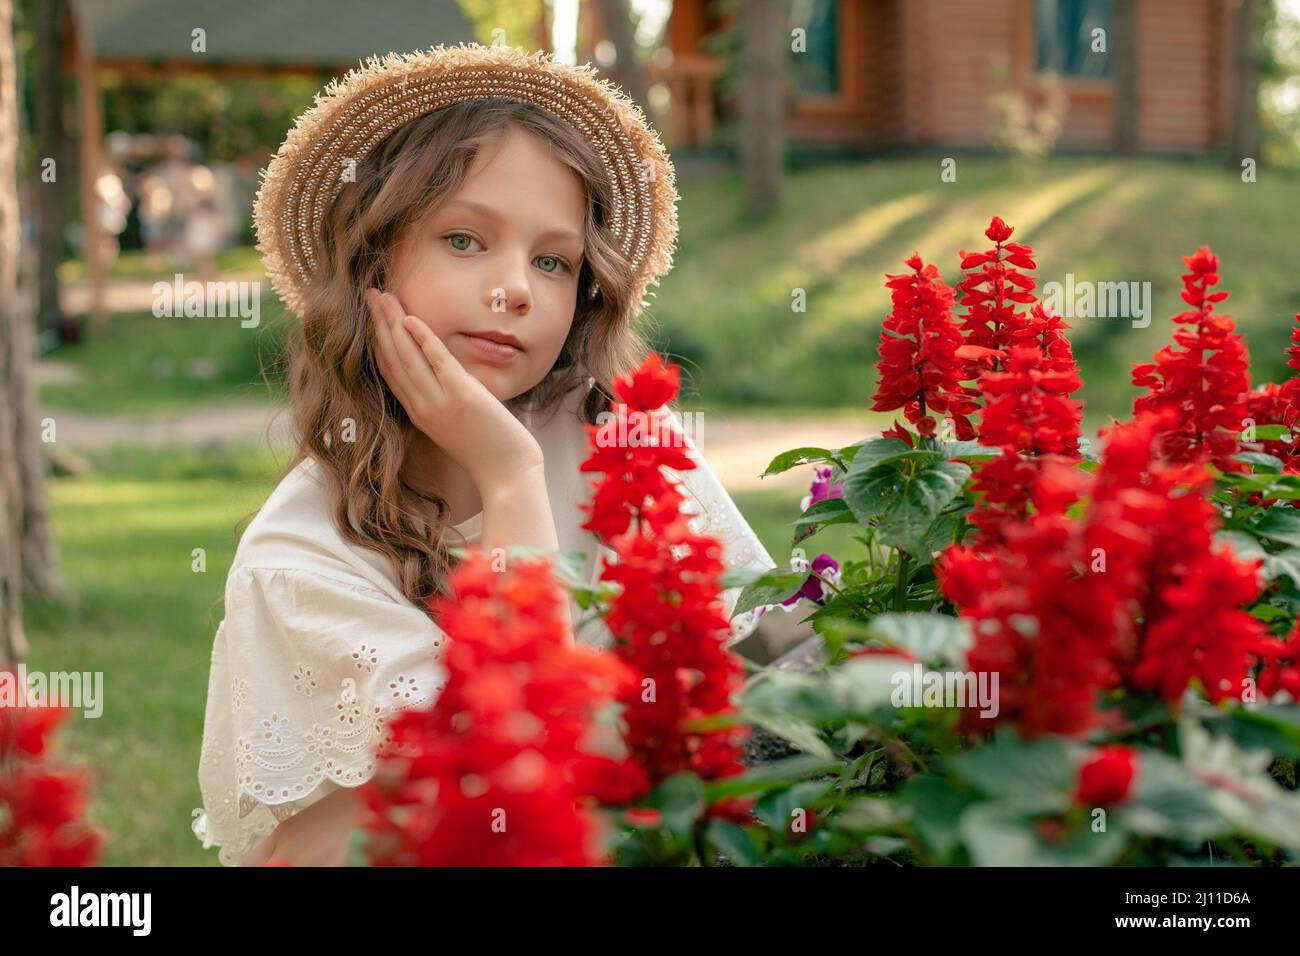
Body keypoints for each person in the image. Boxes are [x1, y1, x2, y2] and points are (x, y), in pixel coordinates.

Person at [191, 43, 778, 867]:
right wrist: (509, 477)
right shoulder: (300, 555)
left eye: (552, 260)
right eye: (465, 240)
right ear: (373, 260)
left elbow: (766, 668)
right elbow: (501, 775)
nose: (516, 289)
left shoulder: (614, 431)